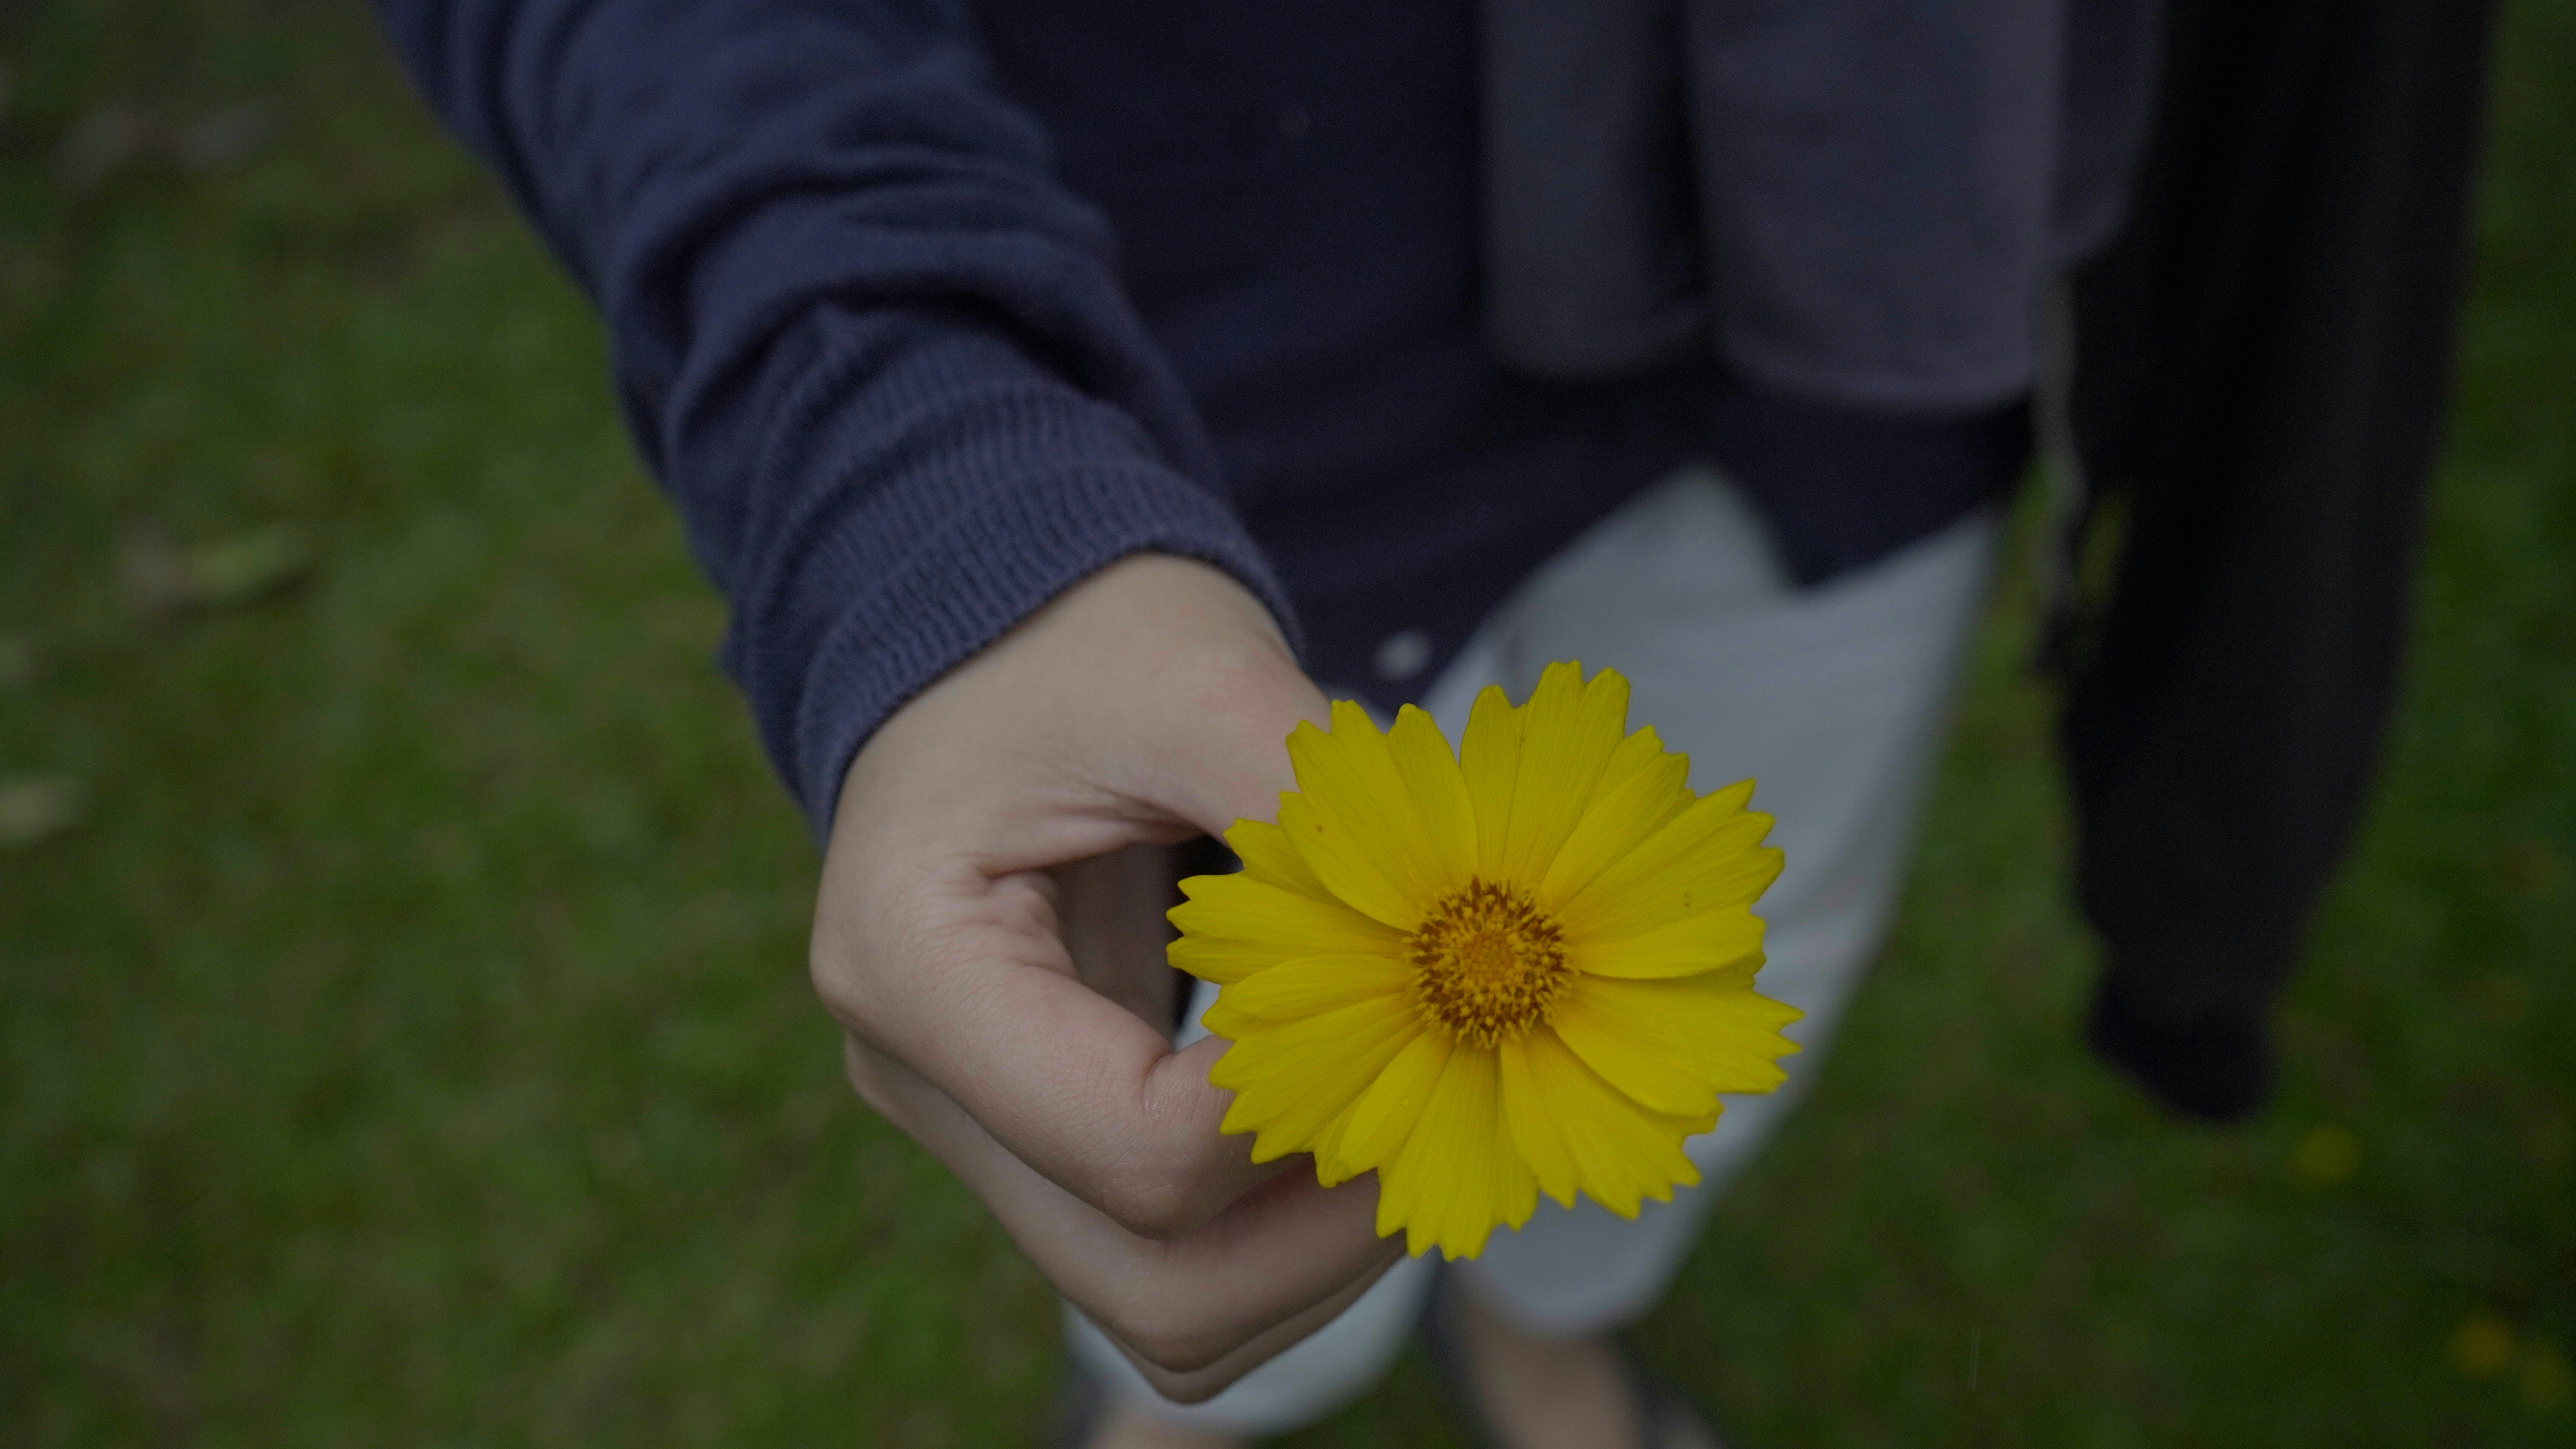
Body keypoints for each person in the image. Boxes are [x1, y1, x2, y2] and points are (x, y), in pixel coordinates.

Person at [376, 0, 2499, 1443]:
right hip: (1199, 378)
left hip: (1861, 368)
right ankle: (1196, 1394)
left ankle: (1551, 1319)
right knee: (1166, 1103)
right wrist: (937, 477)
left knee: (1742, 974)